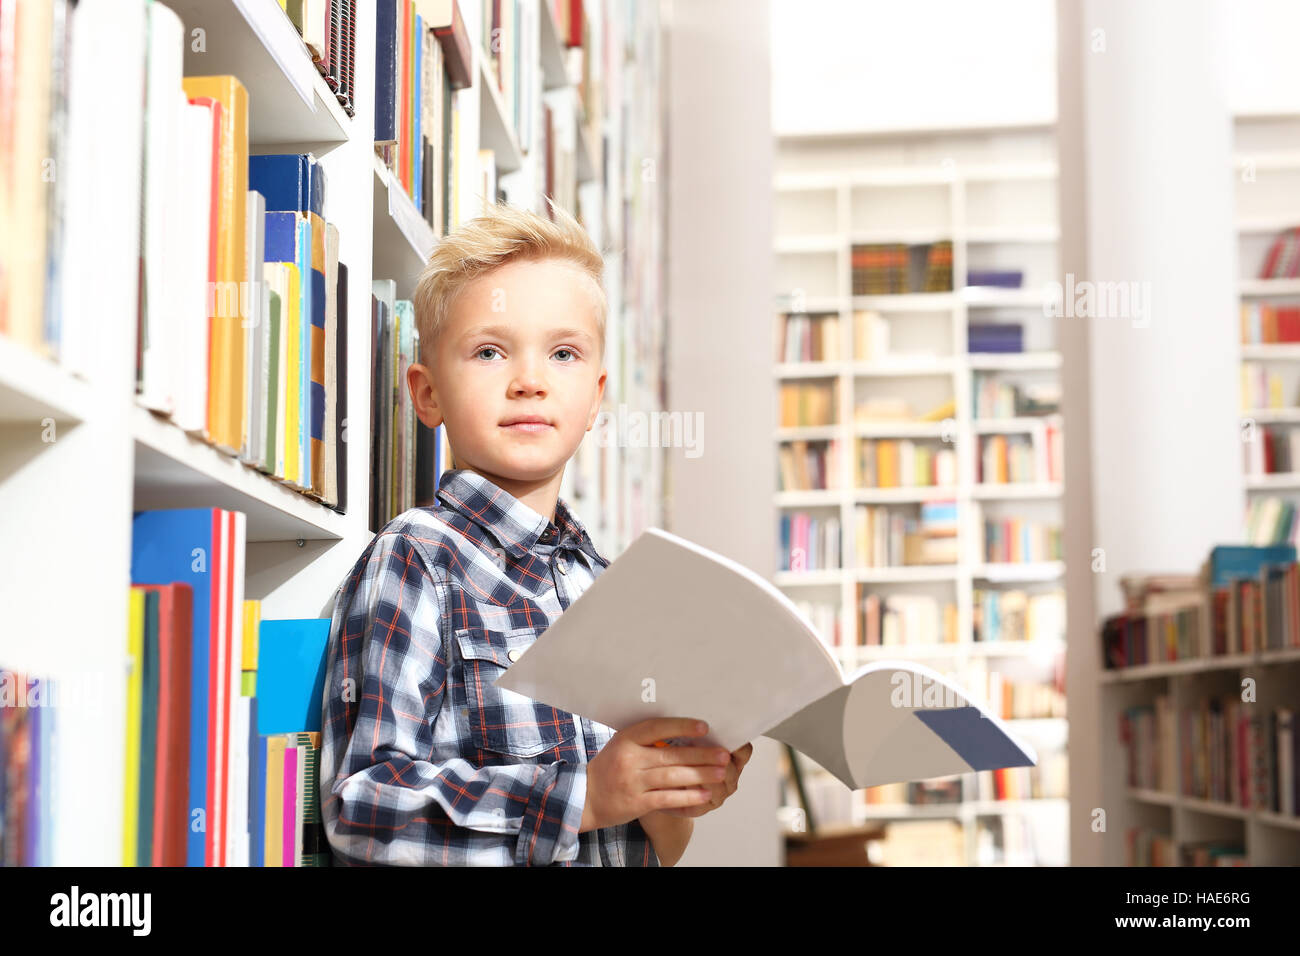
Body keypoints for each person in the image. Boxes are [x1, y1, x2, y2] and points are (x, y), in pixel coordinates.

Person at [318, 201, 753, 866]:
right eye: (489, 351)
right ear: (426, 393)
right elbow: (364, 806)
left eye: (563, 353)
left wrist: (671, 794)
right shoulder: (417, 559)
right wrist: (585, 798)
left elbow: (653, 847)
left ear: (596, 395)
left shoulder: (610, 584)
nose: (530, 382)